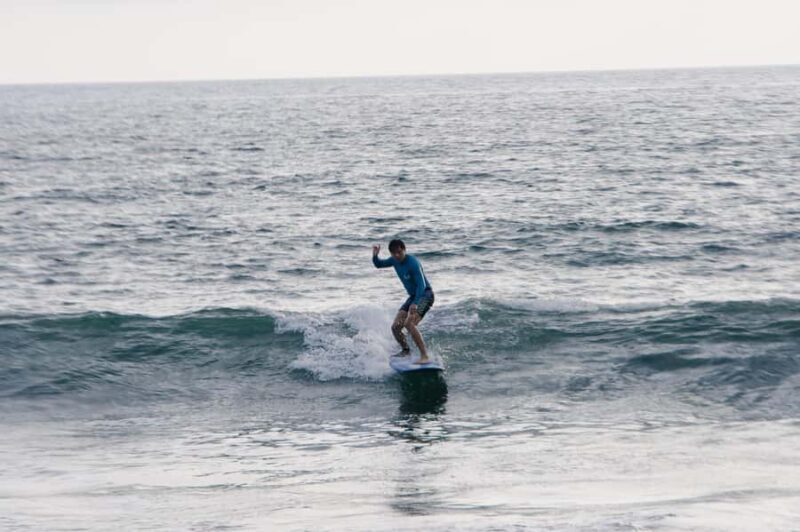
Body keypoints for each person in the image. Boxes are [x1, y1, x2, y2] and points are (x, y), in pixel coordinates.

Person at [372, 239, 435, 364]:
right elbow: (379, 264)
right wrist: (375, 255)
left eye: (399, 252)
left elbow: (421, 285)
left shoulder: (413, 263)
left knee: (409, 323)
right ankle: (406, 350)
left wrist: (416, 303)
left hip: (425, 296)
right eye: (393, 253)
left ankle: (424, 356)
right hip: (413, 297)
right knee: (395, 327)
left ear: (404, 249)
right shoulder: (394, 260)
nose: (397, 255)